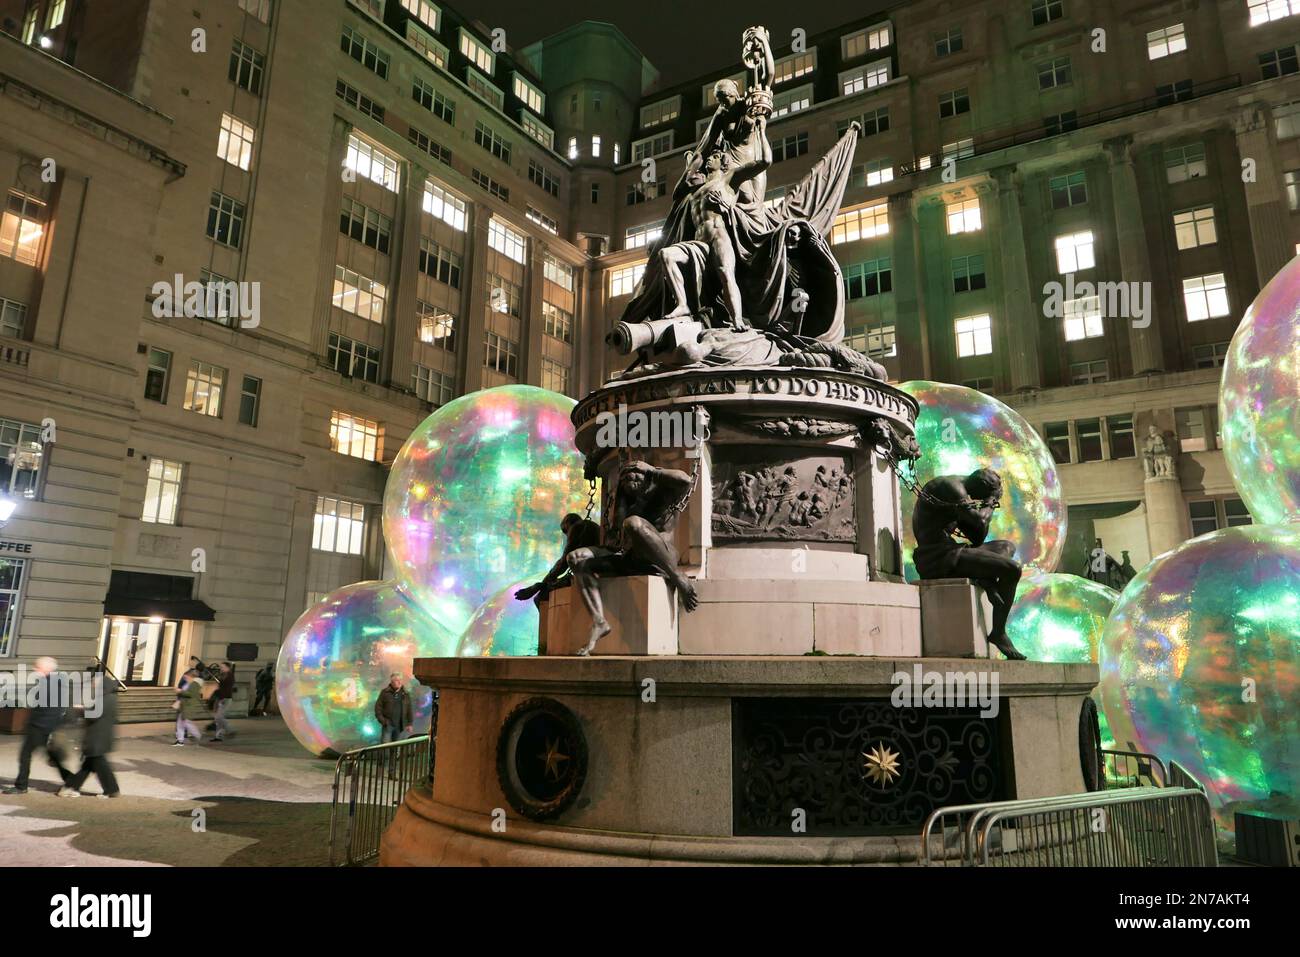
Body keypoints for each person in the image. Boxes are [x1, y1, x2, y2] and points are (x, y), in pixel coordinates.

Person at [566, 461, 699, 655]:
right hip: (631, 557)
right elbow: (618, 543)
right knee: (575, 558)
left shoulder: (663, 493)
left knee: (634, 523)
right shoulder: (626, 502)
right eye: (626, 478)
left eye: (636, 475)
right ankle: (599, 621)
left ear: (646, 476)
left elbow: (686, 480)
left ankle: (678, 576)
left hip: (662, 557)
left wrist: (653, 470)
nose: (631, 480)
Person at [911, 468, 1026, 660]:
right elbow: (980, 522)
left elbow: (978, 538)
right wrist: (991, 503)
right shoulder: (951, 488)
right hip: (936, 558)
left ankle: (984, 577)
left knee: (1006, 547)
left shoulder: (966, 494)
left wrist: (981, 508)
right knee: (1012, 570)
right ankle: (998, 632)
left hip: (953, 551)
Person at [4, 657, 74, 794]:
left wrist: (38, 725)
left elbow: (51, 709)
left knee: (25, 756)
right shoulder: (55, 682)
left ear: (46, 669)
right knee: (53, 757)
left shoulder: (51, 684)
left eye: (37, 667)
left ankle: (21, 786)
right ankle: (72, 781)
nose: (35, 669)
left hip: (40, 728)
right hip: (44, 728)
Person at [515, 513, 602, 608]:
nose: (567, 535)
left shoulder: (577, 527)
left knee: (540, 598)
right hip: (596, 574)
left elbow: (563, 564)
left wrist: (538, 586)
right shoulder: (596, 527)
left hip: (584, 577)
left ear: (568, 523)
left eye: (565, 531)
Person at [59, 672, 120, 798]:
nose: (93, 688)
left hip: (97, 737)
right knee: (89, 764)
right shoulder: (110, 697)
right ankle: (72, 787)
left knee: (99, 765)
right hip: (100, 736)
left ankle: (111, 789)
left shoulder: (104, 698)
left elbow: (94, 714)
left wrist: (80, 709)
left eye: (94, 686)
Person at [375, 674, 413, 778]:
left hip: (399, 726)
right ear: (392, 682)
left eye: (400, 680)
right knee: (384, 749)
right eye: (396, 680)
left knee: (395, 751)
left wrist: (409, 723)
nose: (399, 682)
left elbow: (409, 710)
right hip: (388, 725)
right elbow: (378, 708)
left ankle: (392, 773)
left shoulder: (405, 694)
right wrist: (383, 721)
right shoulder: (385, 693)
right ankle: (380, 771)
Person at [173, 670, 205, 746]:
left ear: (191, 676)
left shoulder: (195, 684)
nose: (184, 678)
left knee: (187, 722)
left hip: (188, 705)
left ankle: (198, 736)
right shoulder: (189, 683)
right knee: (180, 723)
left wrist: (180, 691)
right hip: (184, 704)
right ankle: (180, 741)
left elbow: (191, 694)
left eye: (186, 676)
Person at [209, 662, 235, 742]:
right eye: (221, 667)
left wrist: (222, 696)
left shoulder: (230, 676)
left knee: (219, 717)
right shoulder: (224, 675)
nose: (221, 668)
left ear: (228, 668)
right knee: (218, 718)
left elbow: (227, 688)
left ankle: (230, 730)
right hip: (222, 698)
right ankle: (218, 736)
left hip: (226, 699)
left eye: (222, 667)